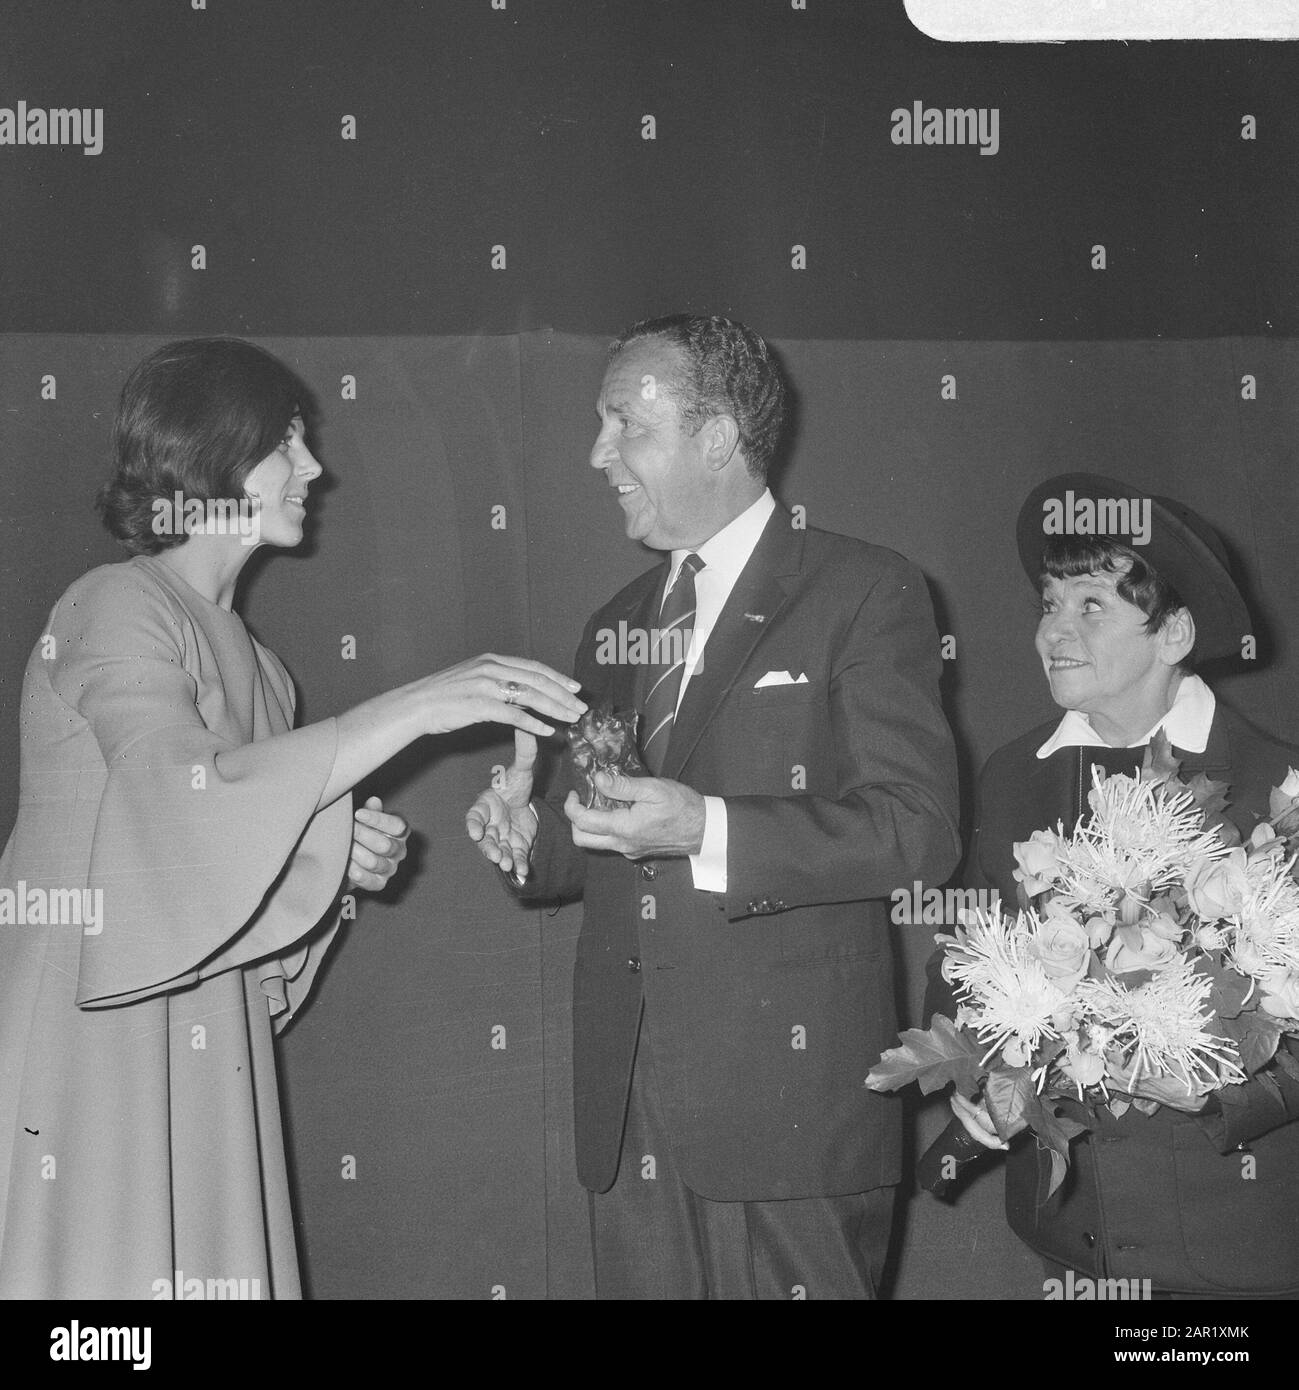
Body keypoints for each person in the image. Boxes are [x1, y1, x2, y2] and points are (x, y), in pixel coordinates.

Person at [0, 337, 586, 1299]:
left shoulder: (266, 669)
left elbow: (232, 849)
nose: (315, 467)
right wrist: (419, 706)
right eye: (287, 442)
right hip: (94, 1031)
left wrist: (321, 847)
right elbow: (173, 799)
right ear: (213, 455)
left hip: (199, 1025)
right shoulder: (112, 604)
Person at [467, 314, 959, 1298]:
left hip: (790, 1118)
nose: (596, 453)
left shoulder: (864, 589)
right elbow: (597, 838)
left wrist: (708, 827)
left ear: (720, 437)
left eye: (624, 426)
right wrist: (532, 841)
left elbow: (919, 832)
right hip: (632, 1107)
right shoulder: (614, 626)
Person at [927, 471, 1299, 1297]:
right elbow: (960, 959)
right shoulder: (1011, 777)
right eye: (1047, 604)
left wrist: (1215, 1096)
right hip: (1070, 1243)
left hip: (1230, 1242)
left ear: (1172, 633)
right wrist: (983, 1071)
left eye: (1088, 605)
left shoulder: (1279, 786)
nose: (1052, 631)